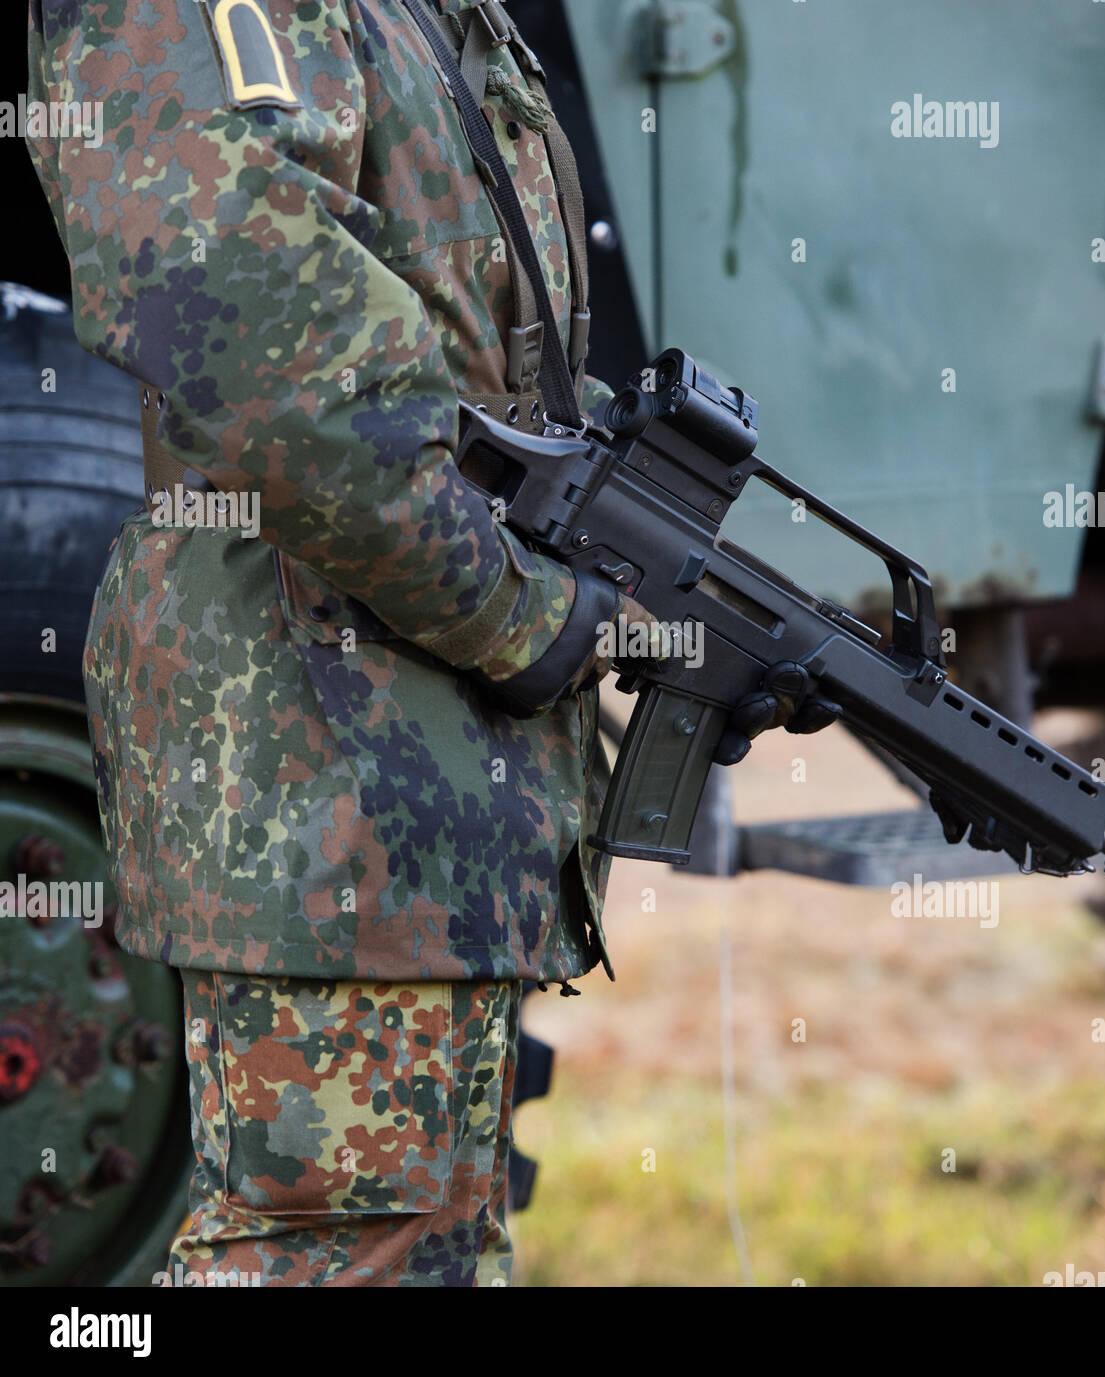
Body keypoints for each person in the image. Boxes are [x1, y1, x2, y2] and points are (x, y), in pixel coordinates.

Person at [26, 0, 833, 1285]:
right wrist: (520, 614)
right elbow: (245, 334)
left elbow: (477, 372)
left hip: (420, 784)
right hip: (321, 763)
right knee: (343, 1250)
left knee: (422, 1247)